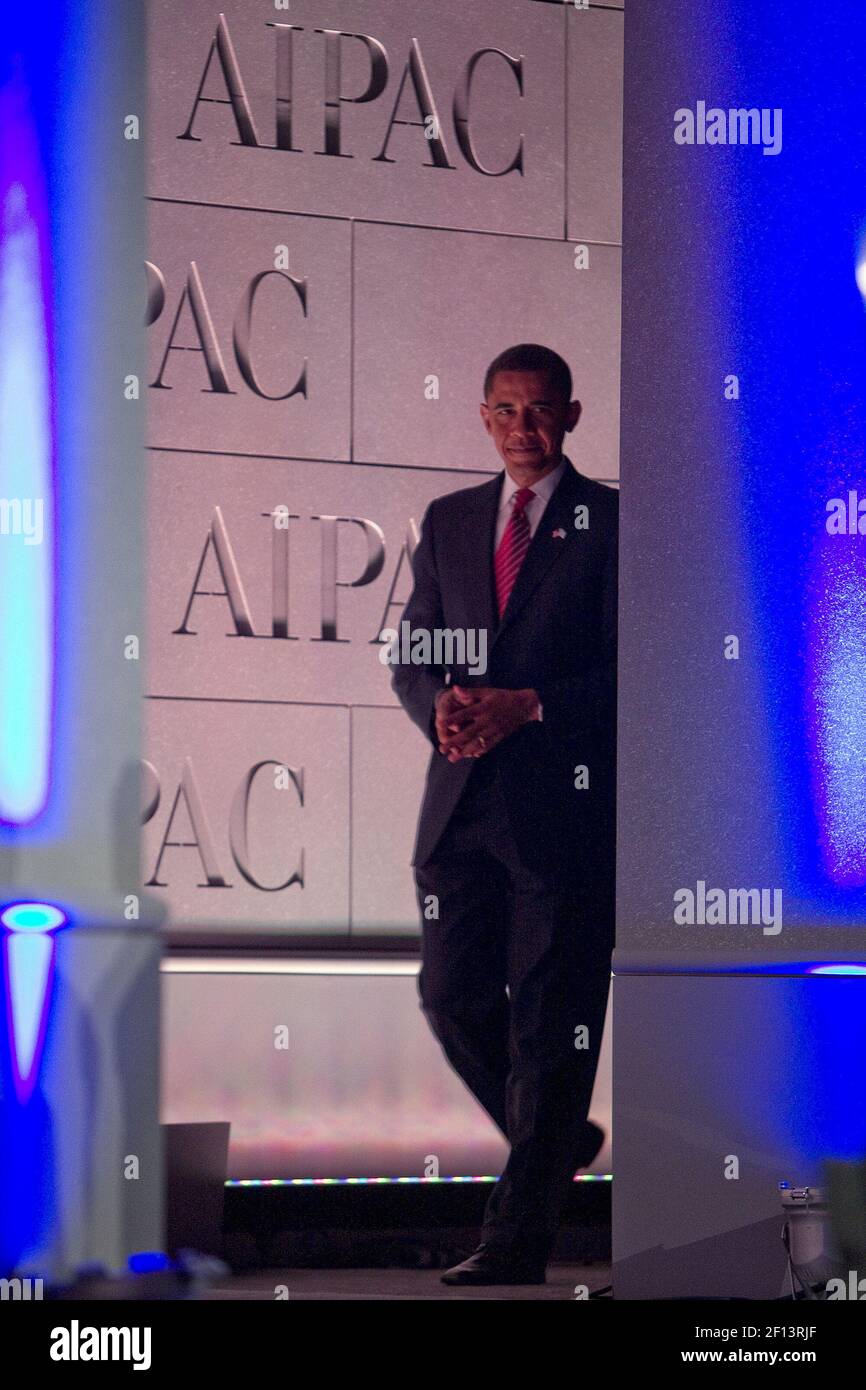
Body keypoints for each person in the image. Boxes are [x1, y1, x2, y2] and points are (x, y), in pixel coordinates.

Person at [390, 342, 617, 1285]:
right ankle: (560, 1134)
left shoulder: (614, 524)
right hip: (461, 808)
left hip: (565, 817)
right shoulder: (448, 522)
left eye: (540, 410)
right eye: (505, 411)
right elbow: (414, 651)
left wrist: (530, 703)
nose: (522, 428)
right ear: (483, 418)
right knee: (449, 999)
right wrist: (435, 705)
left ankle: (517, 1241)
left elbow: (645, 666)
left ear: (571, 416)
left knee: (548, 1026)